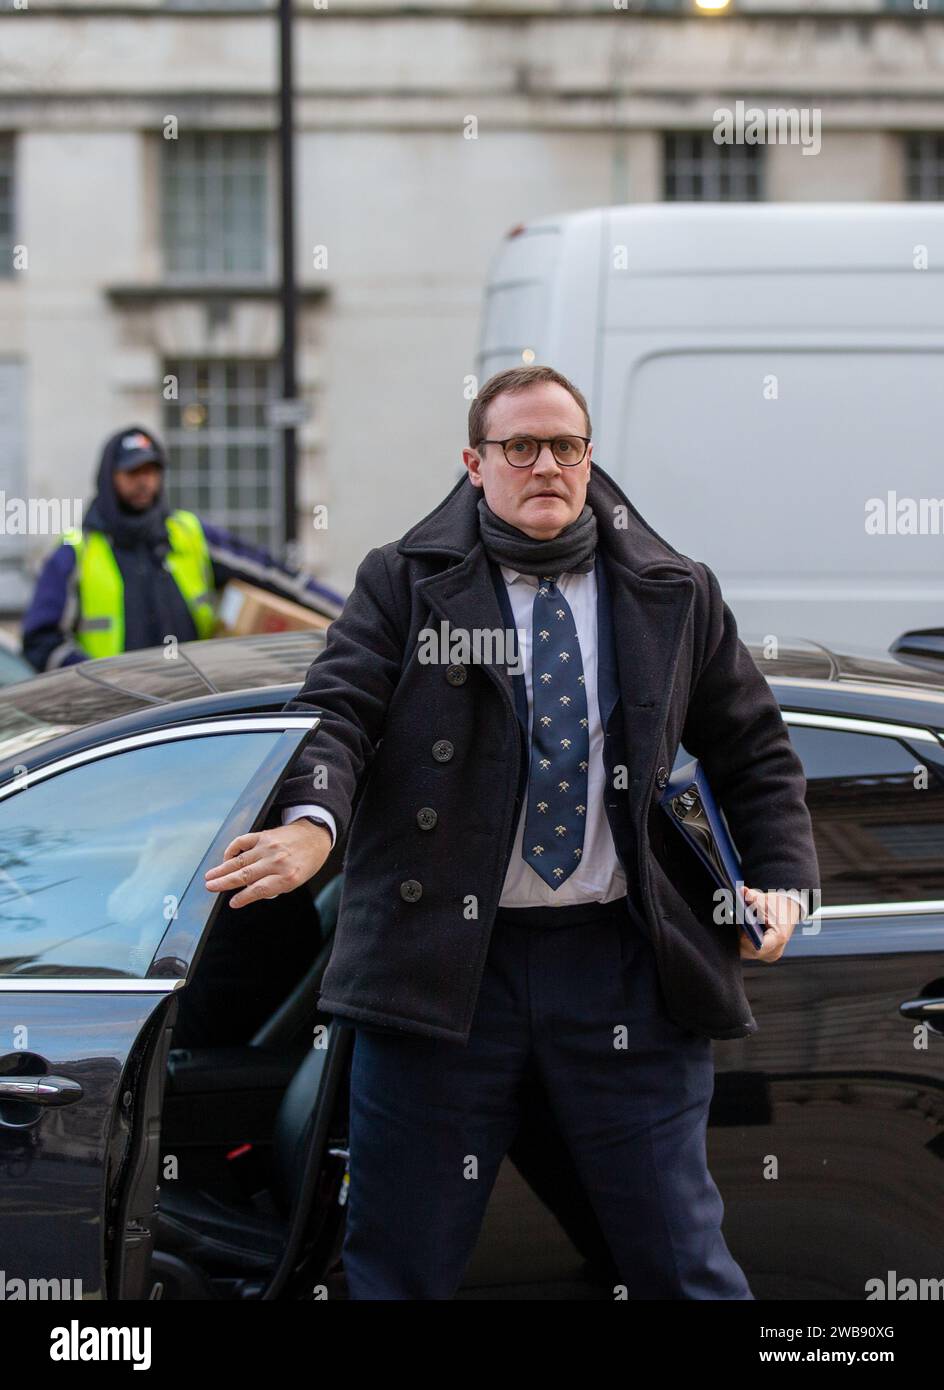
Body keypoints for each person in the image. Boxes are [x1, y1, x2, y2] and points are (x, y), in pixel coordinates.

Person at [203, 364, 821, 1300]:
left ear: (588, 459)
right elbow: (337, 715)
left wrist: (779, 879)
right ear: (475, 462)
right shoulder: (405, 584)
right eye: (519, 447)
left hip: (622, 970)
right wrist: (314, 824)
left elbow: (753, 750)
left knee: (683, 1268)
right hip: (445, 972)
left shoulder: (669, 589)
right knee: (399, 1271)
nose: (545, 466)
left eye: (564, 447)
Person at [21, 425, 344, 672]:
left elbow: (273, 575)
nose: (144, 481)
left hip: (192, 711)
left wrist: (351, 615)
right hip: (114, 724)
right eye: (133, 472)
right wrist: (103, 679)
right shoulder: (77, 552)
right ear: (110, 478)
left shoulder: (189, 534)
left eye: (152, 471)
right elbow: (40, 642)